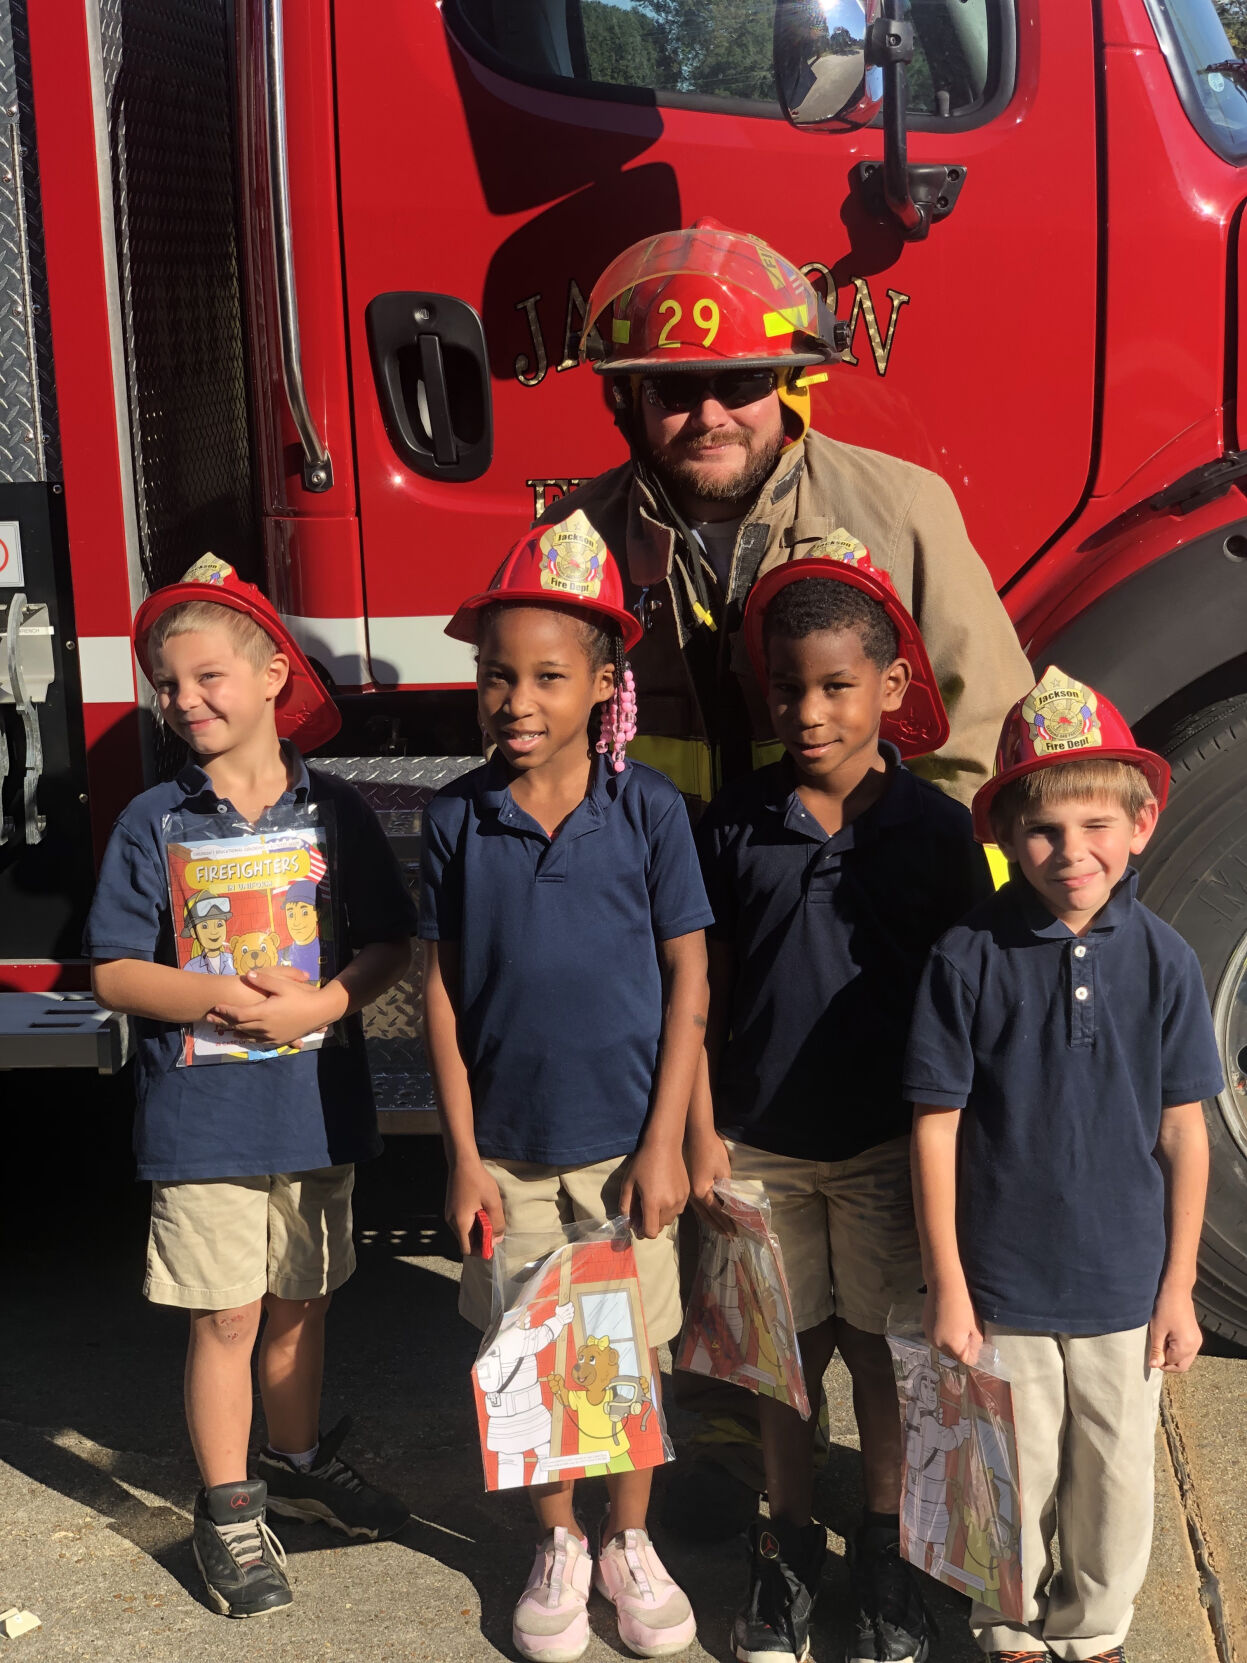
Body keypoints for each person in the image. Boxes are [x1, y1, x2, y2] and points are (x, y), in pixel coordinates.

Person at [541, 219, 1034, 1525]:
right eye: (671, 387)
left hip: (848, 965)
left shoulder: (899, 511)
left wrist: (918, 946)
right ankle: (682, 1500)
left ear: (789, 382)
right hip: (662, 967)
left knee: (896, 1283)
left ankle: (920, 1528)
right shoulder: (576, 543)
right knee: (681, 1254)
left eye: (738, 381)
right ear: (624, 400)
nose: (708, 412)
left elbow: (984, 749)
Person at [84, 555, 417, 1620]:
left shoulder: (338, 813)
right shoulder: (153, 821)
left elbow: (388, 944)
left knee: (302, 1299)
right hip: (204, 1117)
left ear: (275, 674)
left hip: (314, 1107)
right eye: (166, 684)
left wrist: (322, 1004)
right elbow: (113, 970)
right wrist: (224, 998)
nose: (184, 700)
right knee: (226, 1315)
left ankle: (298, 1463)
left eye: (207, 676)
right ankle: (229, 1507)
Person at [688, 543, 993, 1663]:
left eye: (834, 686)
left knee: (877, 1353)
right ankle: (784, 1542)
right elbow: (702, 989)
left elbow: (966, 1000)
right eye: (786, 688)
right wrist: (700, 1131)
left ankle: (882, 1546)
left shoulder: (936, 830)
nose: (807, 711)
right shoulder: (734, 822)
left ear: (891, 686)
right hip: (758, 1146)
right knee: (780, 1359)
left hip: (881, 1150)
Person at [420, 512, 712, 1663]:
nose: (516, 699)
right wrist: (459, 1155)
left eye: (547, 676)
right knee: (530, 1361)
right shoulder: (456, 815)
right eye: (497, 675)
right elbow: (441, 993)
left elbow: (687, 980)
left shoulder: (648, 811)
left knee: (624, 1362)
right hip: (505, 1154)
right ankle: (557, 1543)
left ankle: (628, 1540)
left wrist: (666, 1141)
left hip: (620, 1155)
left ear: (602, 685)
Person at [905, 666, 1221, 1663]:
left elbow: (1184, 1133)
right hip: (1002, 1286)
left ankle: (1091, 1633)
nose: (1070, 851)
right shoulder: (964, 956)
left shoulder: (1165, 960)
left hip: (1124, 1286)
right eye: (1042, 829)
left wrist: (1178, 1286)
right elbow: (935, 1127)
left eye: (1095, 824)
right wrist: (947, 1283)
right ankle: (1008, 1629)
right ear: (1003, 835)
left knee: (1116, 1481)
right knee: (1010, 1471)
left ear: (1140, 825)